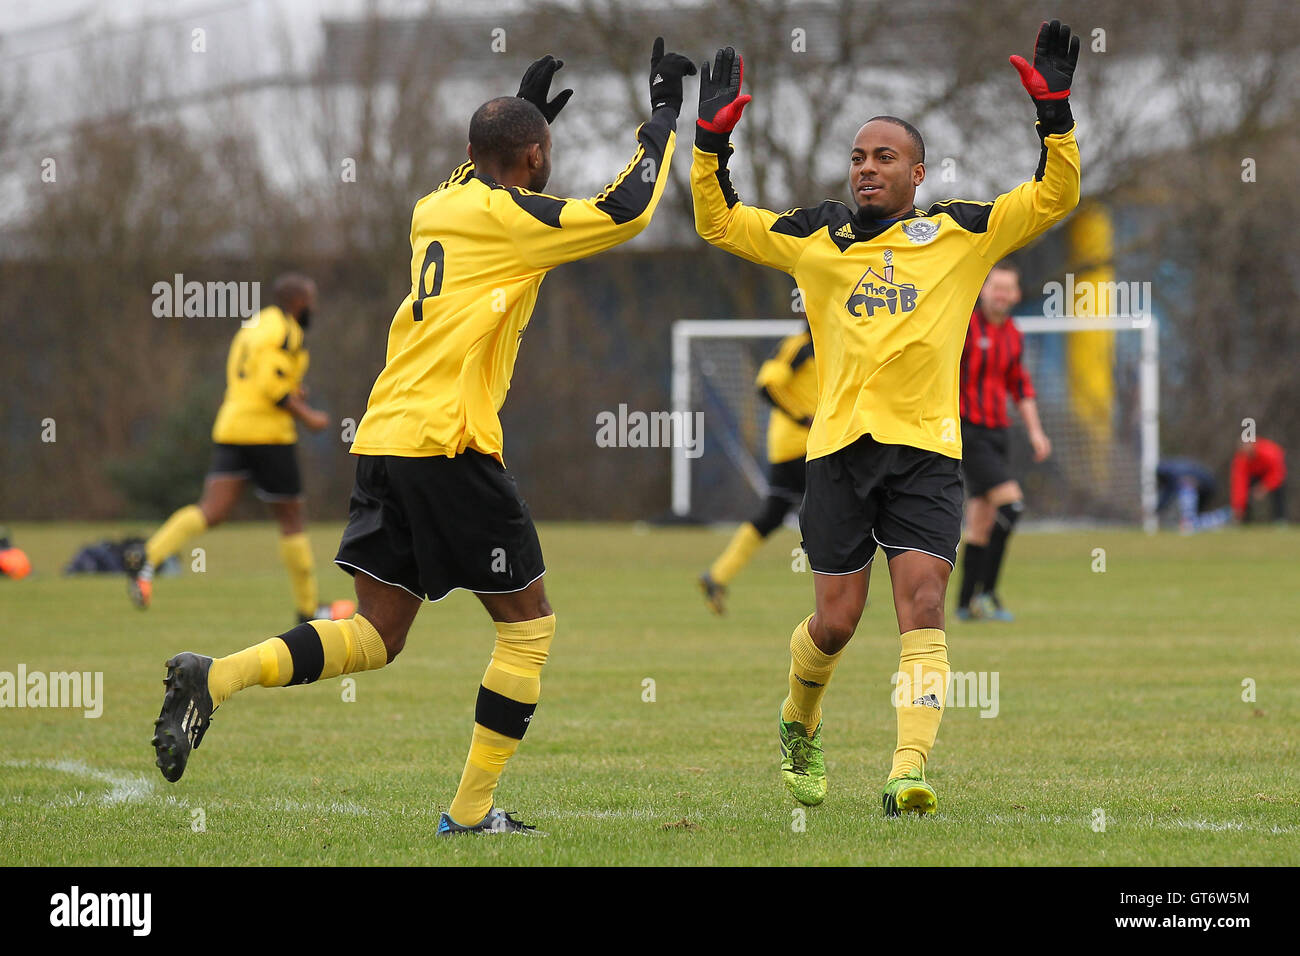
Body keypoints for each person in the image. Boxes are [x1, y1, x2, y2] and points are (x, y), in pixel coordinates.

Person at [150, 43, 697, 836]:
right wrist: (664, 119)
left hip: (386, 437)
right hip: (449, 445)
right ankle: (471, 816)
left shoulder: (432, 204)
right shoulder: (511, 219)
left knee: (377, 634)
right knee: (528, 626)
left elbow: (490, 166)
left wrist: (521, 110)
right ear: (534, 157)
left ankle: (216, 676)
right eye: (542, 153)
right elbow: (627, 210)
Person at [691, 21, 1080, 815]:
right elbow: (720, 223)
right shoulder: (815, 236)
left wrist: (1056, 118)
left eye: (884, 158)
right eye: (859, 158)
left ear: (918, 172)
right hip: (835, 454)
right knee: (834, 623)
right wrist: (708, 146)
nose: (868, 169)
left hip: (927, 456)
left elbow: (1053, 196)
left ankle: (908, 768)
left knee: (925, 605)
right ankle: (800, 720)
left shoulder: (960, 234)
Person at [123, 274, 352, 625]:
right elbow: (270, 385)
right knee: (291, 518)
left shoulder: (255, 324)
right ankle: (309, 609)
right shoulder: (284, 329)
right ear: (296, 303)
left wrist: (294, 390)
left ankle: (148, 555)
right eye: (311, 301)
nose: (313, 308)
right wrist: (308, 416)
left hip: (232, 425)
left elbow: (253, 375)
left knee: (211, 510)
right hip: (268, 434)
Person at [953, 262, 1051, 622]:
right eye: (996, 287)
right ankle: (989, 594)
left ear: (1016, 295)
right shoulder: (964, 326)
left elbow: (1020, 386)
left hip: (998, 434)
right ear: (983, 290)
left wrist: (1036, 432)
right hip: (968, 431)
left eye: (1008, 289)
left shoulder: (1014, 334)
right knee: (1012, 507)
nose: (1001, 294)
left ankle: (965, 605)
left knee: (980, 522)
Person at [699, 326, 815, 614]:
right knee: (835, 513)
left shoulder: (828, 345)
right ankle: (838, 593)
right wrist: (803, 418)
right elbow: (767, 385)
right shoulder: (799, 346)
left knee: (774, 515)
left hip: (795, 447)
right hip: (802, 447)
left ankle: (717, 576)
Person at [1231, 437, 1287, 524]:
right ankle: (1245, 521)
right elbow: (1240, 484)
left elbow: (1278, 473)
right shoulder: (1241, 459)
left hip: (1271, 474)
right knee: (1247, 492)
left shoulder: (1269, 451)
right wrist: (1238, 506)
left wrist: (1264, 487)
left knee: (1279, 490)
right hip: (1255, 476)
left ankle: (1280, 520)